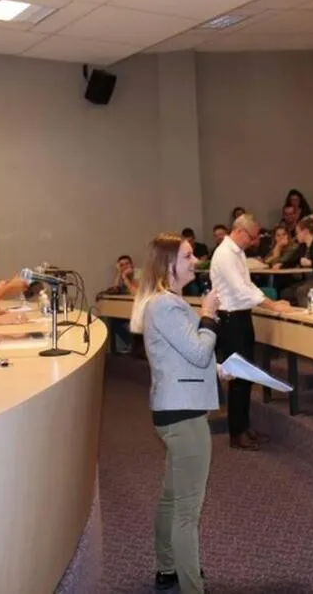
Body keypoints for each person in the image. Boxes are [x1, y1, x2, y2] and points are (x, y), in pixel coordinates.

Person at [130, 234, 223, 594]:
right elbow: (199, 352)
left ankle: (167, 568)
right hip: (183, 415)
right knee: (188, 511)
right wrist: (209, 316)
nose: (195, 260)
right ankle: (191, 586)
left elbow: (187, 359)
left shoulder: (168, 304)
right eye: (187, 256)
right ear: (169, 265)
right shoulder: (166, 306)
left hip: (177, 408)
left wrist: (217, 368)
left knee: (172, 498)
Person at [209, 214, 292, 451]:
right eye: (252, 236)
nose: (254, 241)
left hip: (241, 317)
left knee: (246, 377)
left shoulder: (237, 253)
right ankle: (237, 433)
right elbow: (241, 291)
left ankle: (244, 426)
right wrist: (273, 305)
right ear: (240, 232)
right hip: (230, 320)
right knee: (238, 378)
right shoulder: (225, 254)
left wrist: (270, 301)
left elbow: (249, 286)